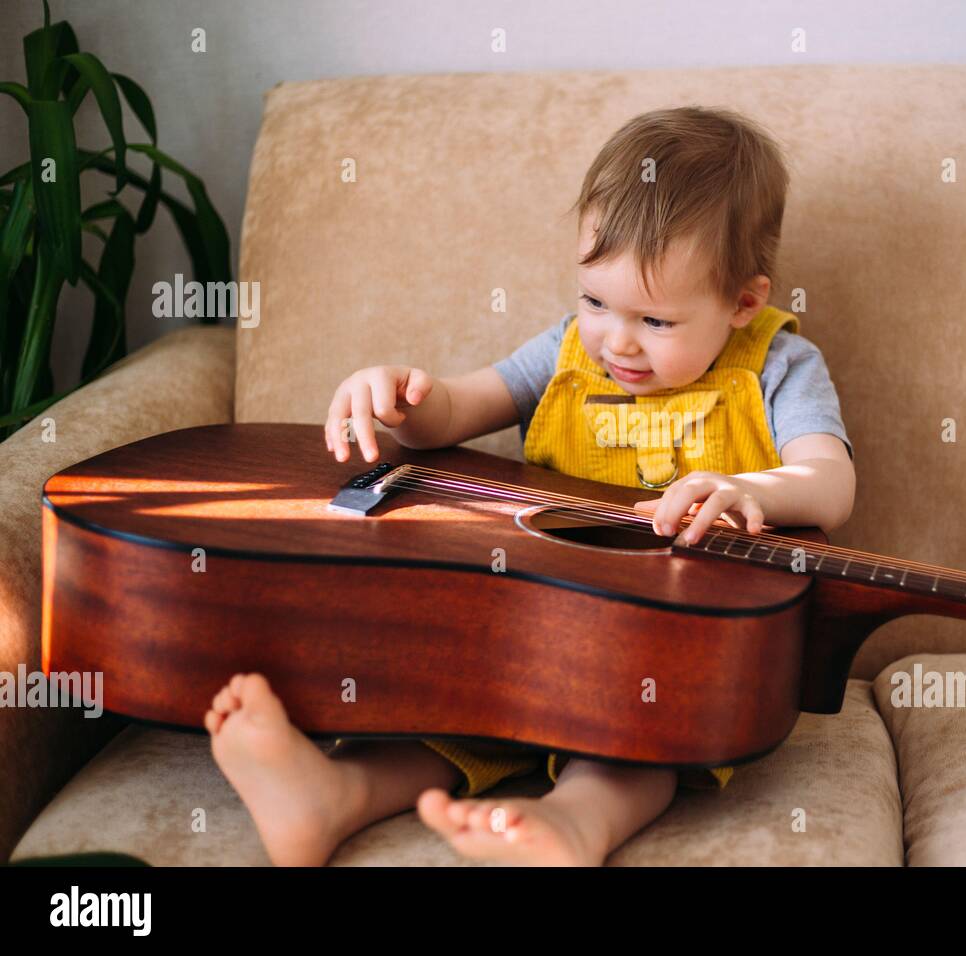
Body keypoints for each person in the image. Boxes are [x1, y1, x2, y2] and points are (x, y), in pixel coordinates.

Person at [205, 106, 856, 866]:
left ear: (742, 303)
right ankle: (330, 793)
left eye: (655, 320)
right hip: (532, 627)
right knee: (456, 704)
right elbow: (459, 408)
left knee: (632, 743)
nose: (616, 340)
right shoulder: (568, 351)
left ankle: (570, 827)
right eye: (595, 301)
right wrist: (404, 399)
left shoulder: (779, 367)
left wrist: (755, 490)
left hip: (673, 651)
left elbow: (830, 481)